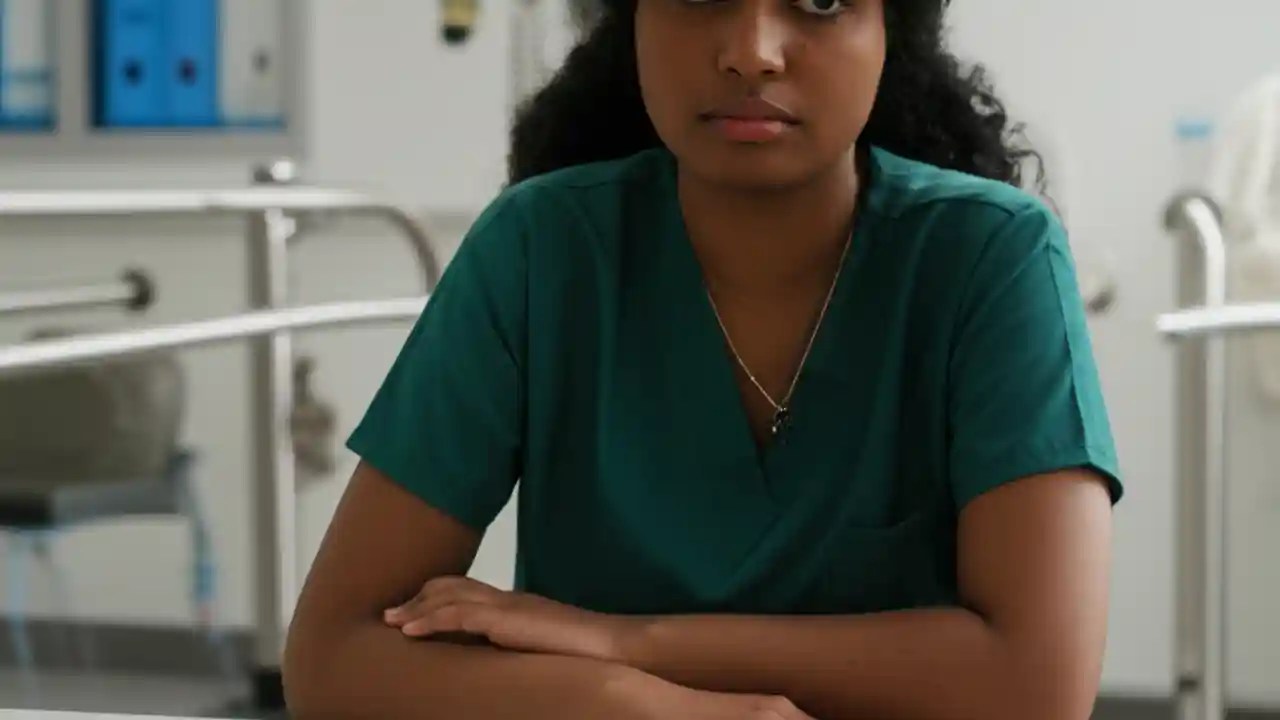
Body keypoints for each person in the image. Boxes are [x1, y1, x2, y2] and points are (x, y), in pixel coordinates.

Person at [283, 0, 1123, 717]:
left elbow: (1036, 687)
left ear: (892, 29)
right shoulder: (541, 251)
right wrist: (632, 702)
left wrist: (626, 640)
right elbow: (331, 659)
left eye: (821, 0)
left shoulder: (988, 253)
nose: (751, 50)